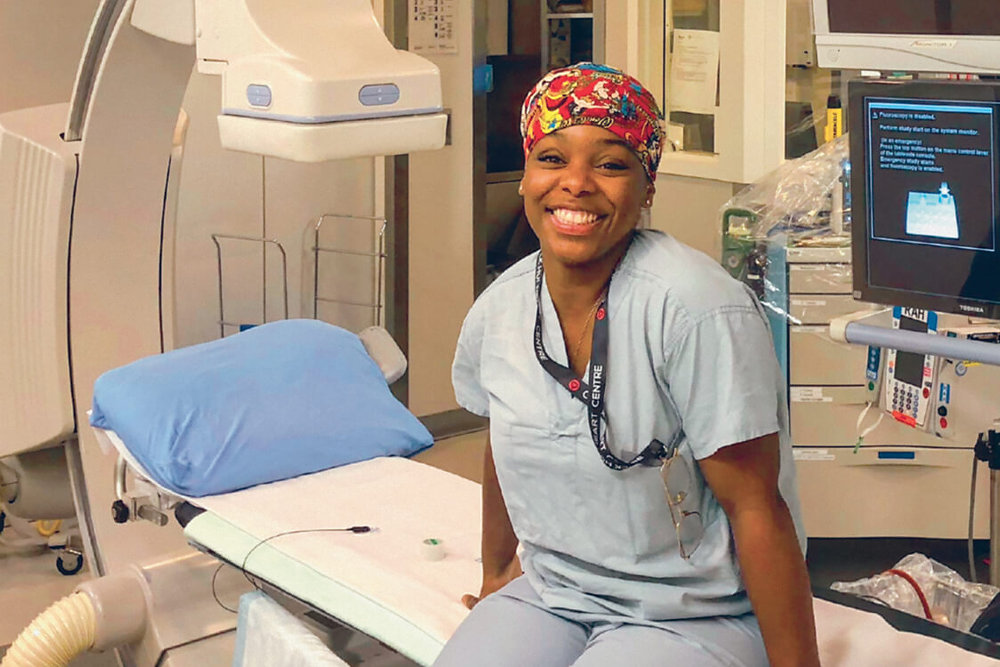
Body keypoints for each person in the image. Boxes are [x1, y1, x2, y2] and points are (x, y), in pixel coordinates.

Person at [435, 62, 820, 667]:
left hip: (694, 610)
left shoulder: (695, 309)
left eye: (611, 164)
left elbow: (756, 507)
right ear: (526, 176)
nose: (576, 183)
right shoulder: (501, 309)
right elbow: (502, 443)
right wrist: (495, 575)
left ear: (648, 188)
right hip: (554, 590)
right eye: (552, 159)